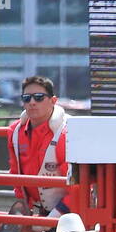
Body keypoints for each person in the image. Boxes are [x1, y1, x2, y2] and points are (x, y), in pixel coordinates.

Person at [6, 75, 71, 222]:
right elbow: (16, 175)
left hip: (68, 215)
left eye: (39, 97)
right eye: (27, 98)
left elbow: (78, 188)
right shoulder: (14, 132)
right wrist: (22, 206)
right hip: (36, 213)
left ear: (53, 101)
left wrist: (53, 217)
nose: (32, 102)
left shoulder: (65, 134)